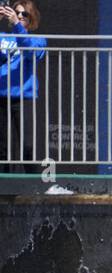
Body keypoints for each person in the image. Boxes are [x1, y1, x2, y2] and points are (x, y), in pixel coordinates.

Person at [0, 1, 44, 174]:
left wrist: (18, 27)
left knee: (28, 144)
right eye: (16, 13)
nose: (19, 16)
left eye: (24, 14)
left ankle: (35, 185)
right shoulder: (2, 36)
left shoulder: (37, 39)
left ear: (31, 18)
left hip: (24, 97)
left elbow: (31, 50)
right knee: (2, 146)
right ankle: (3, 188)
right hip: (2, 96)